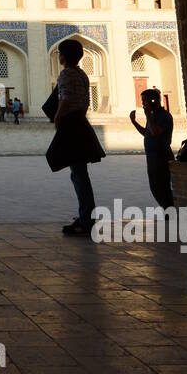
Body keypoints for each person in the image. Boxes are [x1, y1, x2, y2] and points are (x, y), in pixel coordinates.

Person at [44, 38, 106, 237]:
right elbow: (84, 102)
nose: (58, 55)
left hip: (71, 124)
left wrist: (58, 116)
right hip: (80, 122)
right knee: (79, 174)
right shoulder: (81, 74)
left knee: (78, 175)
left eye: (59, 52)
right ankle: (86, 217)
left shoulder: (66, 74)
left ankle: (86, 221)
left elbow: (66, 98)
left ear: (63, 55)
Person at [130, 88, 174, 208]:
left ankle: (171, 211)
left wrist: (148, 115)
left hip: (161, 156)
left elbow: (155, 132)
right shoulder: (153, 116)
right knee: (155, 186)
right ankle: (168, 210)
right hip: (152, 157)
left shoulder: (164, 116)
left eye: (145, 100)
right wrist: (134, 122)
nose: (143, 103)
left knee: (162, 186)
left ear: (153, 101)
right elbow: (147, 132)